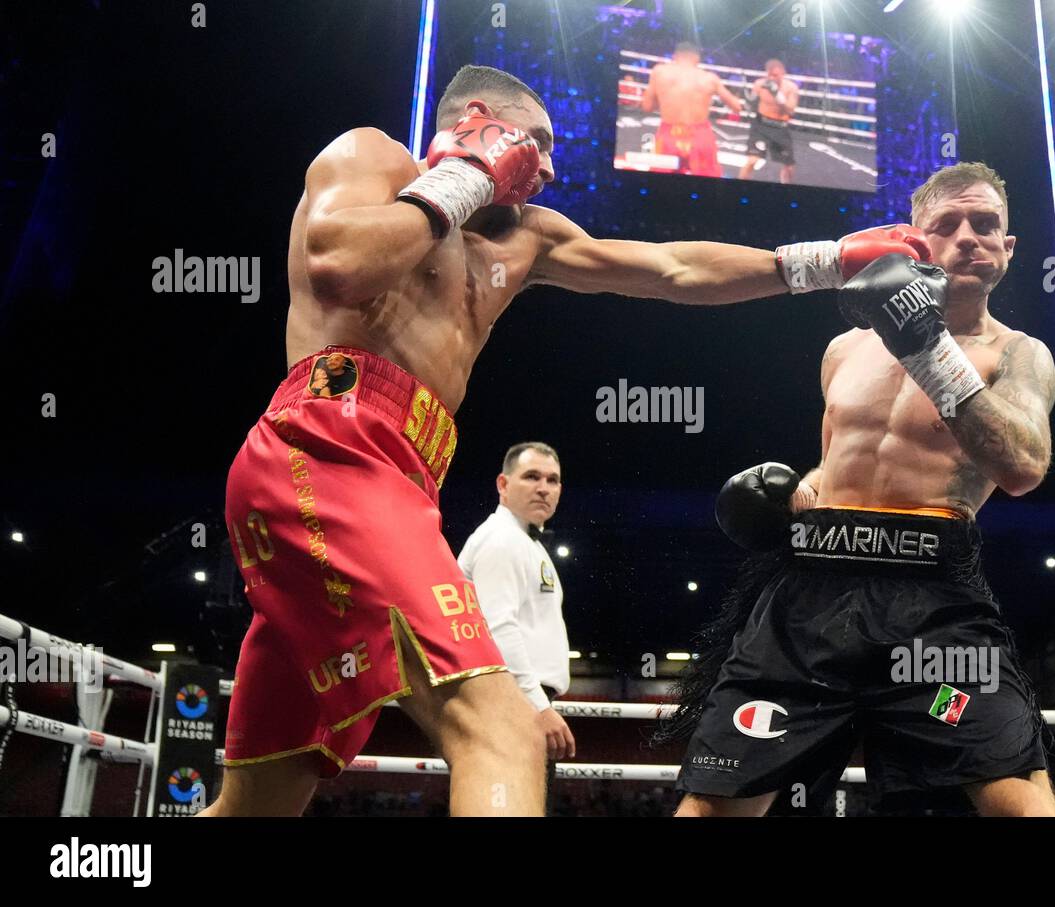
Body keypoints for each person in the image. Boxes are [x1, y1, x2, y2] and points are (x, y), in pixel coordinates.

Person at [203, 63, 925, 817]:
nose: (548, 168)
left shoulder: (527, 238)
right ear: (480, 119)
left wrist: (826, 261)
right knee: (502, 731)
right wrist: (468, 174)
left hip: (399, 472)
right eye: (538, 143)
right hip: (331, 445)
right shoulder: (373, 158)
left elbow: (672, 268)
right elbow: (338, 264)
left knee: (258, 802)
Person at [667, 162, 1055, 817]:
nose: (968, 237)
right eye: (947, 224)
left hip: (934, 611)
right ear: (914, 240)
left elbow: (1024, 463)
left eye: (985, 224)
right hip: (809, 602)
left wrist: (927, 346)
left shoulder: (1019, 354)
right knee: (713, 803)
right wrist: (791, 494)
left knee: (1019, 797)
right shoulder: (844, 349)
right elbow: (830, 469)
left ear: (1009, 246)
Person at [458, 443, 574, 763]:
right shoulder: (502, 540)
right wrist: (538, 705)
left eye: (552, 480)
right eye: (532, 476)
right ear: (503, 484)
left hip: (516, 697)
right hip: (511, 699)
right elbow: (498, 628)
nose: (543, 488)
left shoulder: (525, 542)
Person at [641, 42, 744, 177]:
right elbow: (737, 107)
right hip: (700, 136)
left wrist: (666, 97)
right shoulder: (710, 78)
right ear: (697, 58)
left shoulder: (659, 72)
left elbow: (647, 107)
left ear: (675, 56)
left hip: (668, 135)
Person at [738, 59, 799, 184]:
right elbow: (751, 106)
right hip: (761, 126)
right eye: (769, 75)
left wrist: (777, 95)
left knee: (789, 167)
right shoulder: (760, 84)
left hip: (780, 128)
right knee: (752, 161)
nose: (771, 78)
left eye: (775, 75)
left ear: (783, 73)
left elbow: (791, 111)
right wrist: (749, 102)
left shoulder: (791, 88)